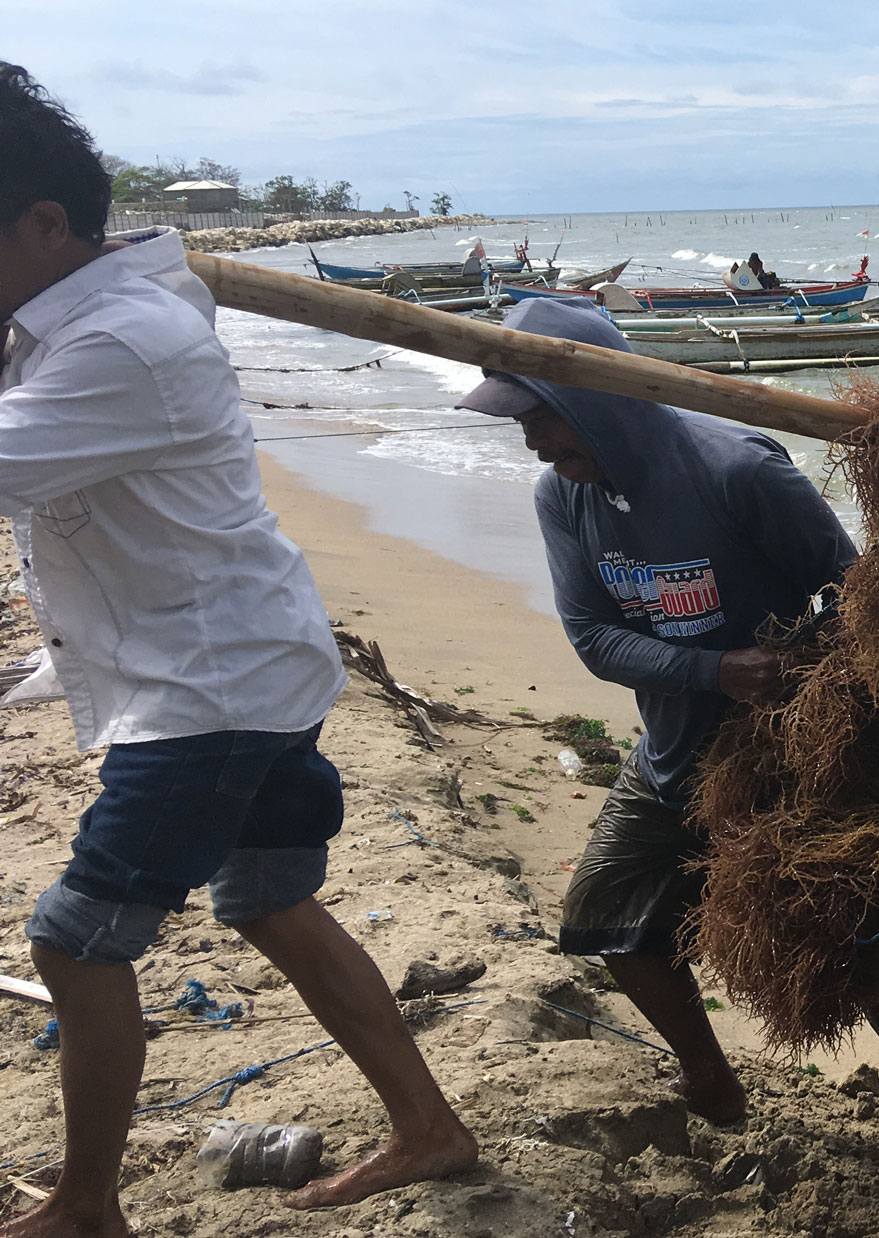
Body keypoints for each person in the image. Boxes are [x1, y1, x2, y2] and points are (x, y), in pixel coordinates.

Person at [0, 64, 477, 1236]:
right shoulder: (81, 315)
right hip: (246, 661)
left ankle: (87, 1205)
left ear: (46, 226)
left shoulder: (128, 340)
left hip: (205, 693)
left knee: (75, 938)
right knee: (270, 899)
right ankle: (430, 1128)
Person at [457, 297, 879, 1163]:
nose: (531, 441)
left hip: (791, 755)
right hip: (673, 752)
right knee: (603, 918)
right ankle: (709, 1073)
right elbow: (593, 637)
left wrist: (798, 675)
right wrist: (715, 669)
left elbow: (859, 593)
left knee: (846, 928)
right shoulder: (563, 497)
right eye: (522, 423)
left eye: (540, 417)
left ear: (595, 400)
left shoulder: (737, 470)